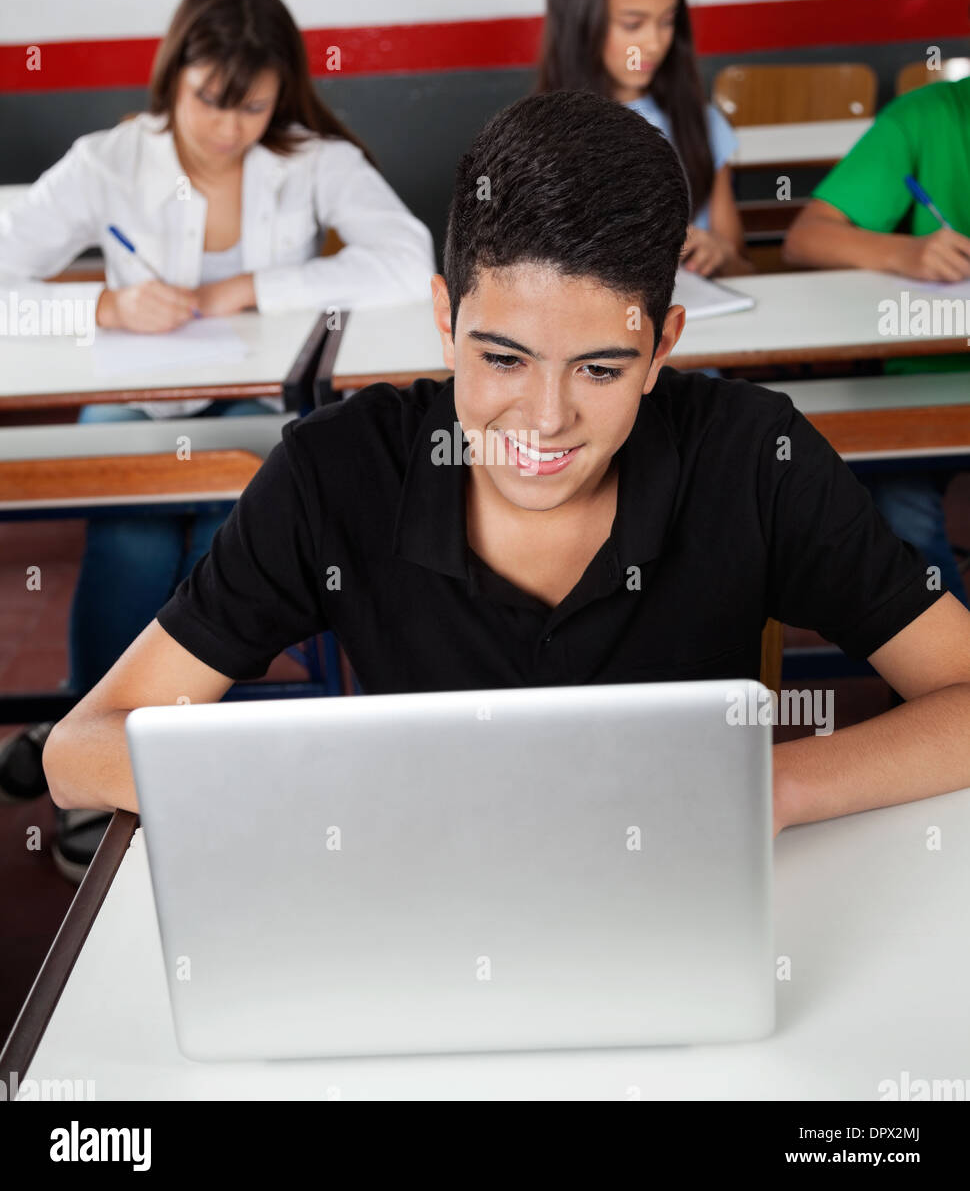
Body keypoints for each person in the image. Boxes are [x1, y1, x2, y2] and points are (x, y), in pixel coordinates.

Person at [43, 90, 970, 838]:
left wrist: (769, 789)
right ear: (443, 319)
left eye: (601, 368)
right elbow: (78, 750)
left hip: (678, 902)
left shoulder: (752, 456)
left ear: (661, 349)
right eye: (501, 358)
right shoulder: (339, 472)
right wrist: (352, 790)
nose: (545, 418)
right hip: (421, 905)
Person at [0, 0, 434, 878]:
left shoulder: (310, 158)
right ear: (173, 76)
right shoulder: (111, 160)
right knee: (133, 533)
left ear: (281, 93)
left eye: (252, 107)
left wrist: (247, 288)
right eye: (209, 100)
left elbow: (406, 259)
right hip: (137, 400)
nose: (227, 127)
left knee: (224, 526)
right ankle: (96, 753)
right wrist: (102, 311)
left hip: (250, 401)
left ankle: (147, 751)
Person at [783, 73, 970, 609]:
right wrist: (905, 254)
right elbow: (806, 237)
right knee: (899, 514)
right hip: (931, 377)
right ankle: (953, 670)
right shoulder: (926, 116)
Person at [537, 0, 747, 277]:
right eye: (632, 24)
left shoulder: (701, 123)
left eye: (667, 21)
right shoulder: (538, 139)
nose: (653, 43)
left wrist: (721, 255)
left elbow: (746, 272)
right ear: (581, 23)